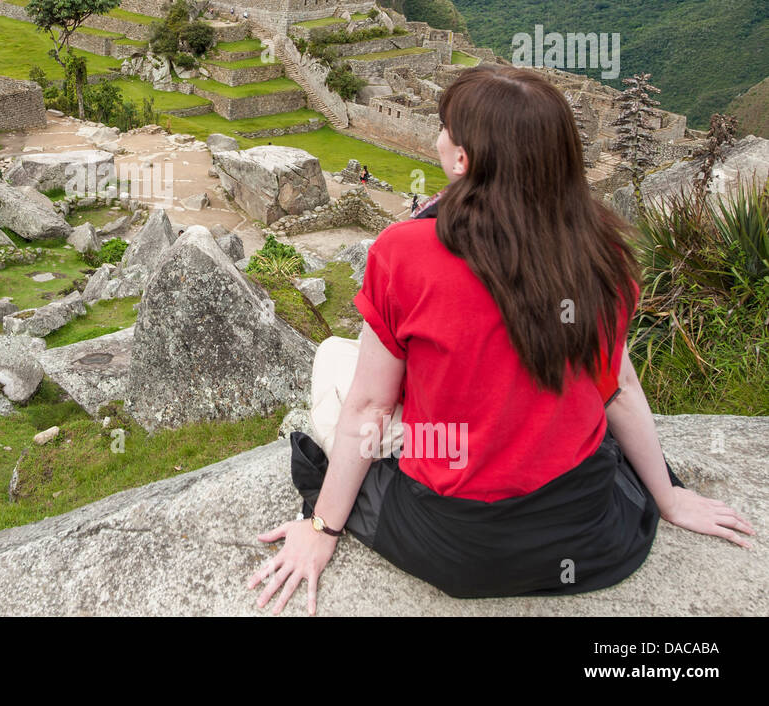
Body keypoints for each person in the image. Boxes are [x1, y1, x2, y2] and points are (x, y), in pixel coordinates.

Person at [249, 64, 753, 615]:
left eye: (445, 129)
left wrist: (320, 528)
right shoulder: (603, 256)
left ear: (462, 159)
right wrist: (669, 495)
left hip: (451, 543)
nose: (438, 137)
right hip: (583, 534)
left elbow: (370, 407)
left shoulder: (404, 254)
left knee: (334, 359)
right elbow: (619, 387)